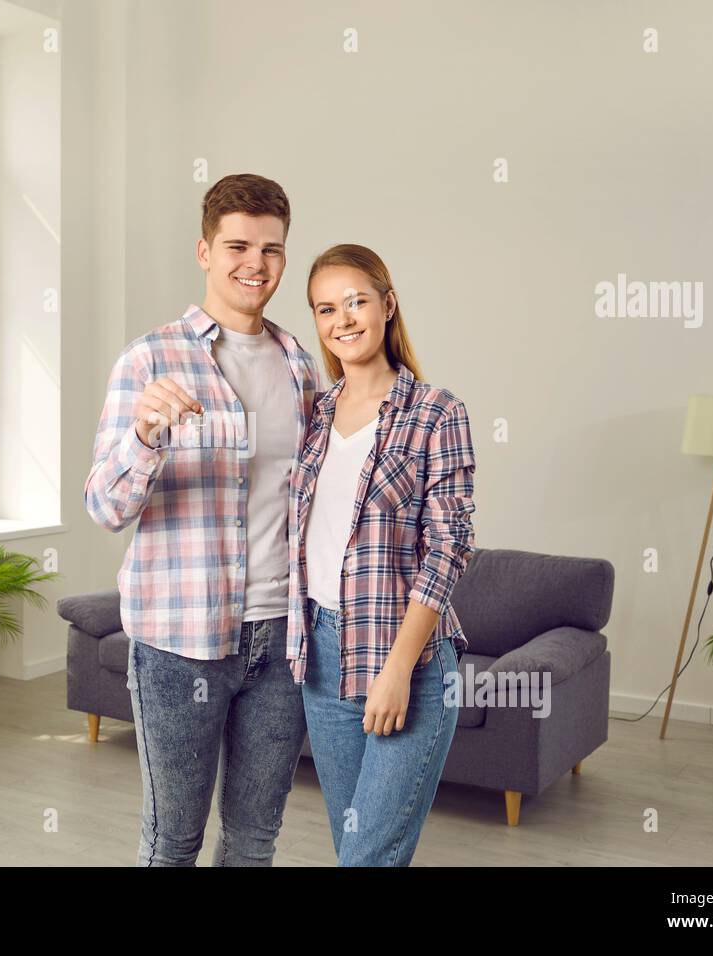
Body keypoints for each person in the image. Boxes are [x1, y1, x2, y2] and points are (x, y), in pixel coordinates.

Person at [84, 173, 321, 865]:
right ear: (204, 251)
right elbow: (104, 505)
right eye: (238, 246)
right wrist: (148, 437)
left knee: (254, 840)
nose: (256, 264)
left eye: (272, 250)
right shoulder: (150, 360)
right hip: (177, 640)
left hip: (281, 637)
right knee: (174, 840)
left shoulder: (301, 366)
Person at [288, 242, 476, 866]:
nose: (342, 320)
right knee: (355, 850)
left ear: (387, 305)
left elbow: (449, 547)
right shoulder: (314, 417)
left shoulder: (436, 413)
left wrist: (398, 669)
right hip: (322, 660)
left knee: (368, 858)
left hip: (410, 663)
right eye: (324, 309)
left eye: (355, 302)